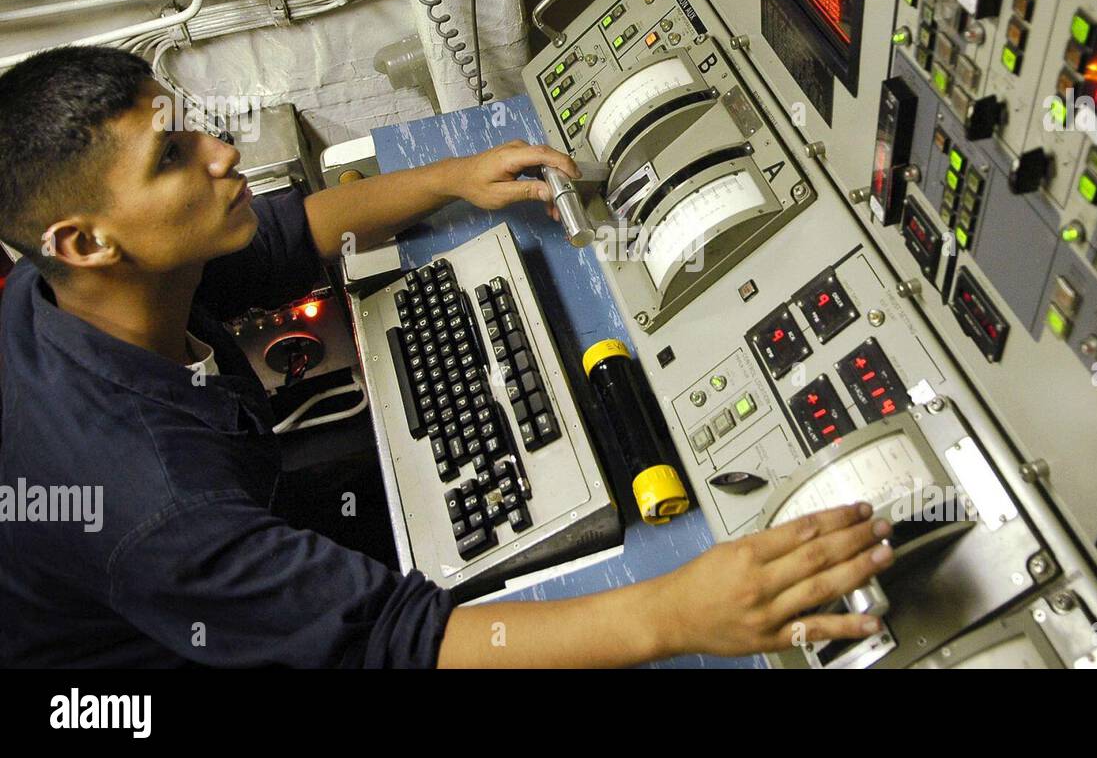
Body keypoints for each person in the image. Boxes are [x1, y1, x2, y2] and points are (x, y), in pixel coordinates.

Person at [0, 46, 895, 668]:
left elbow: (282, 238)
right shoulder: (156, 506)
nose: (222, 151)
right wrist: (672, 613)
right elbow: (392, 640)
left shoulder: (71, 294)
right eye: (174, 157)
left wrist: (449, 176)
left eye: (194, 128)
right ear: (82, 241)